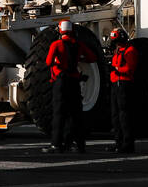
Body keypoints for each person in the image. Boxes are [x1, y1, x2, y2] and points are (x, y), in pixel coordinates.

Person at [44, 19, 96, 154]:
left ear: (60, 30)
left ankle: (56, 144)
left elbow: (48, 62)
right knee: (76, 114)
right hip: (74, 80)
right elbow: (92, 58)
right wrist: (80, 59)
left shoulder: (56, 44)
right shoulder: (79, 45)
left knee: (59, 113)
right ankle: (78, 145)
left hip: (60, 80)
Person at [107, 27, 137, 153]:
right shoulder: (118, 50)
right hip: (116, 84)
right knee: (115, 115)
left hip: (124, 84)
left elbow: (130, 68)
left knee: (124, 115)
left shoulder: (130, 50)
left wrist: (116, 69)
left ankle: (127, 143)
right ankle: (119, 143)